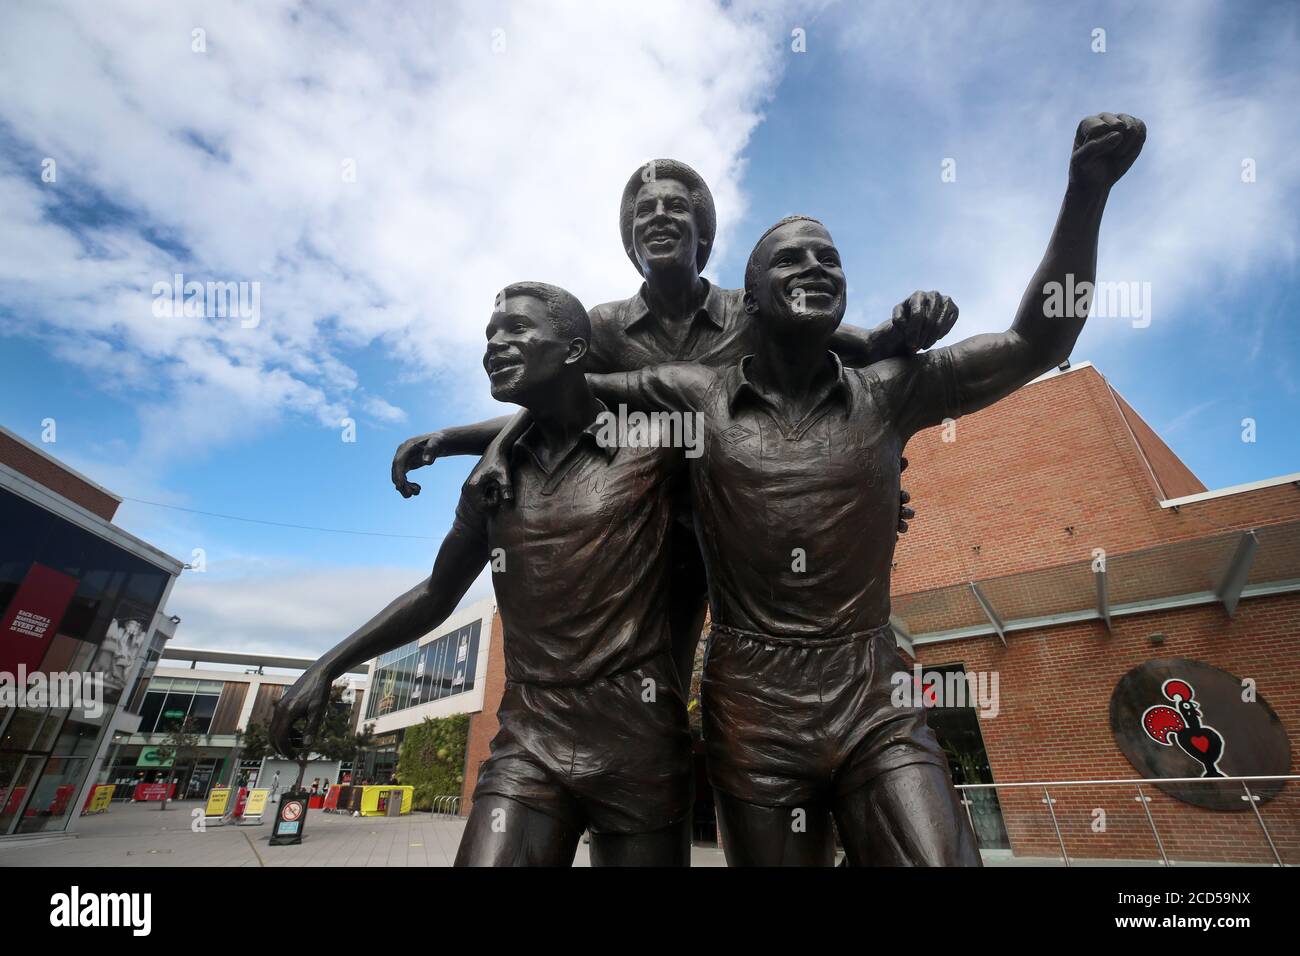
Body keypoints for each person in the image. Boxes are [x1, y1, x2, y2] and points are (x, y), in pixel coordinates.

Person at [548, 113, 1145, 865]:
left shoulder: (893, 392)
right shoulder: (695, 398)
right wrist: (489, 446)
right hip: (752, 705)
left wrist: (1086, 194)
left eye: (828, 258)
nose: (816, 268)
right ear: (751, 303)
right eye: (790, 261)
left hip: (873, 697)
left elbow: (1039, 342)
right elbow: (564, 396)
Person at [389, 160, 953, 692]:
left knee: (795, 650)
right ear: (631, 242)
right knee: (663, 672)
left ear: (701, 235)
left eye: (675, 208)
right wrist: (465, 442)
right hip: (658, 525)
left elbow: (870, 347)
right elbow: (554, 397)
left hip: (751, 511)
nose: (658, 216)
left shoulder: (754, 308)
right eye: (643, 211)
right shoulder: (604, 328)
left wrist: (913, 323)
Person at [272, 282, 697, 866]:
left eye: (517, 330)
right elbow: (435, 595)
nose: (495, 344)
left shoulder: (659, 445)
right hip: (530, 742)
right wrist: (328, 665)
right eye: (490, 335)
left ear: (575, 351)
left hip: (640, 744)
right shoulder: (489, 483)